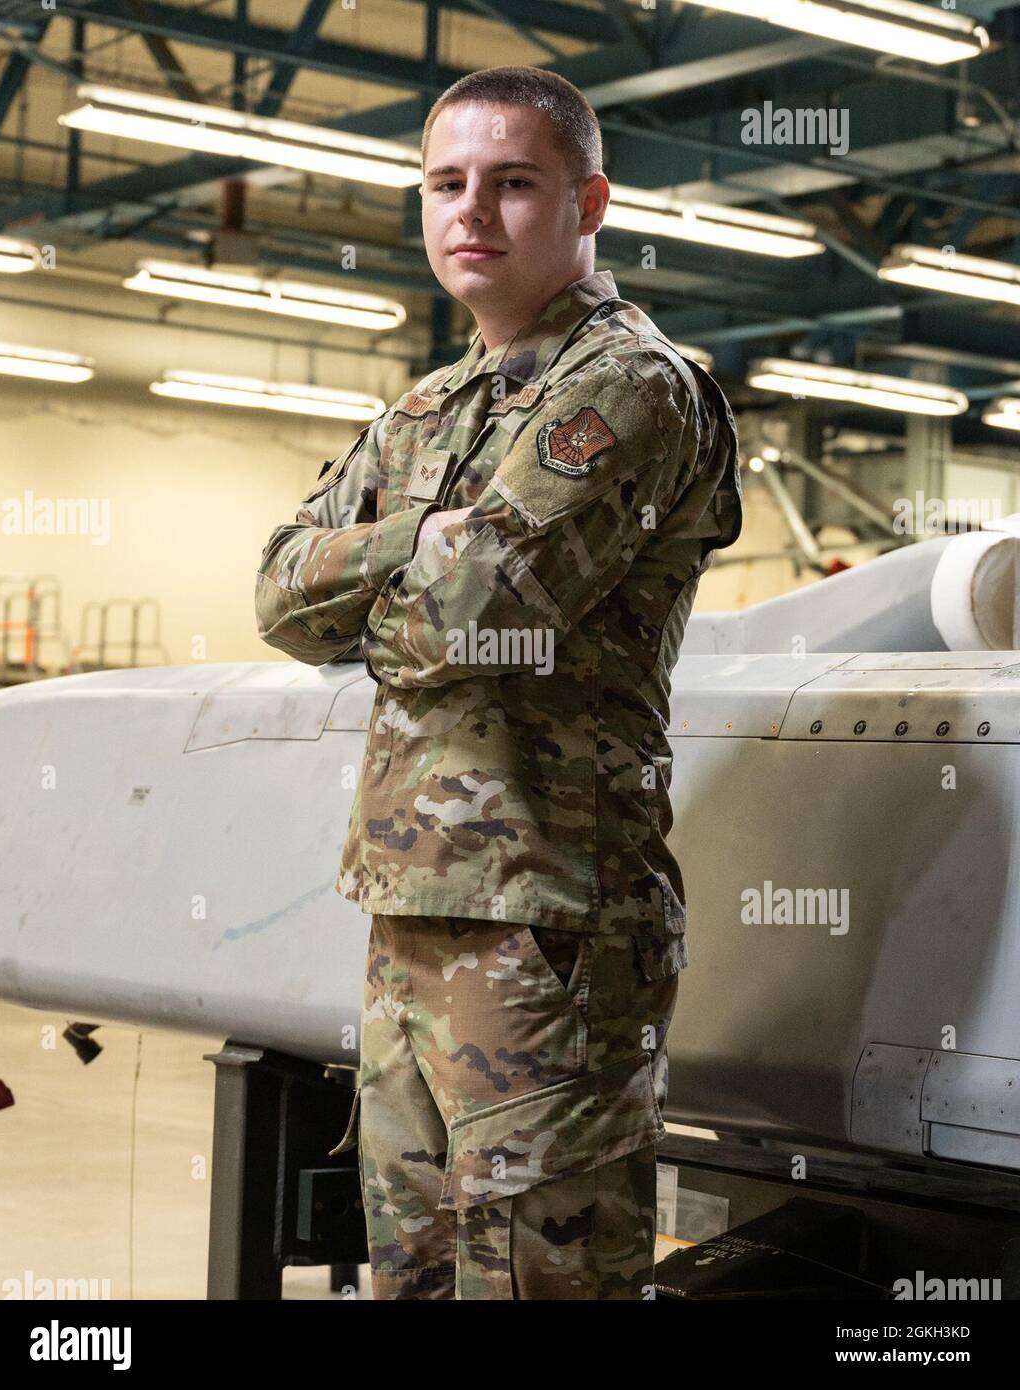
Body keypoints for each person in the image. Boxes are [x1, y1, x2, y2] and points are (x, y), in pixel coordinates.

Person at [255, 64, 743, 1300]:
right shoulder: (427, 410)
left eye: (512, 183)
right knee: (408, 1271)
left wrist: (385, 577)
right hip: (408, 906)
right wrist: (409, 545)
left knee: (536, 1278)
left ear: (588, 204)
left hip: (549, 922)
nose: (470, 210)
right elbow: (273, 595)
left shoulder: (629, 385)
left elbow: (472, 617)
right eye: (445, 183)